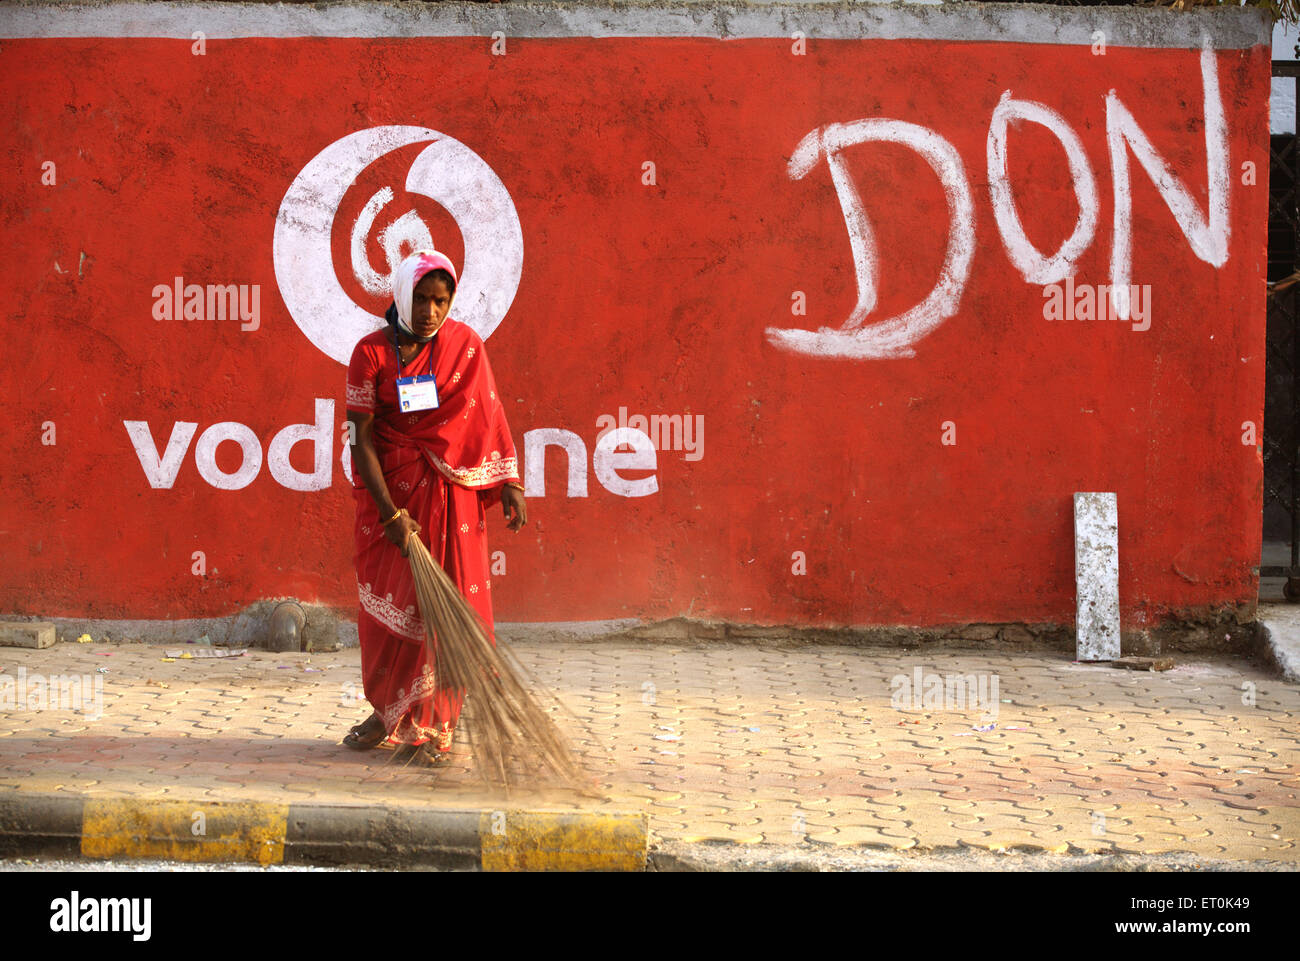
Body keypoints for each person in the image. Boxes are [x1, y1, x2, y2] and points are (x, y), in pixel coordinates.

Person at [342, 248, 527, 763]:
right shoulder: (371, 354)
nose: (430, 311)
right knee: (389, 617)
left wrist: (509, 479)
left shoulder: (466, 347)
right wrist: (390, 514)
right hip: (392, 503)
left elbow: (488, 415)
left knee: (447, 615)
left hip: (452, 501)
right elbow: (362, 440)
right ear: (402, 295)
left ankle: (434, 729)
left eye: (440, 301)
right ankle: (388, 712)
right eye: (421, 299)